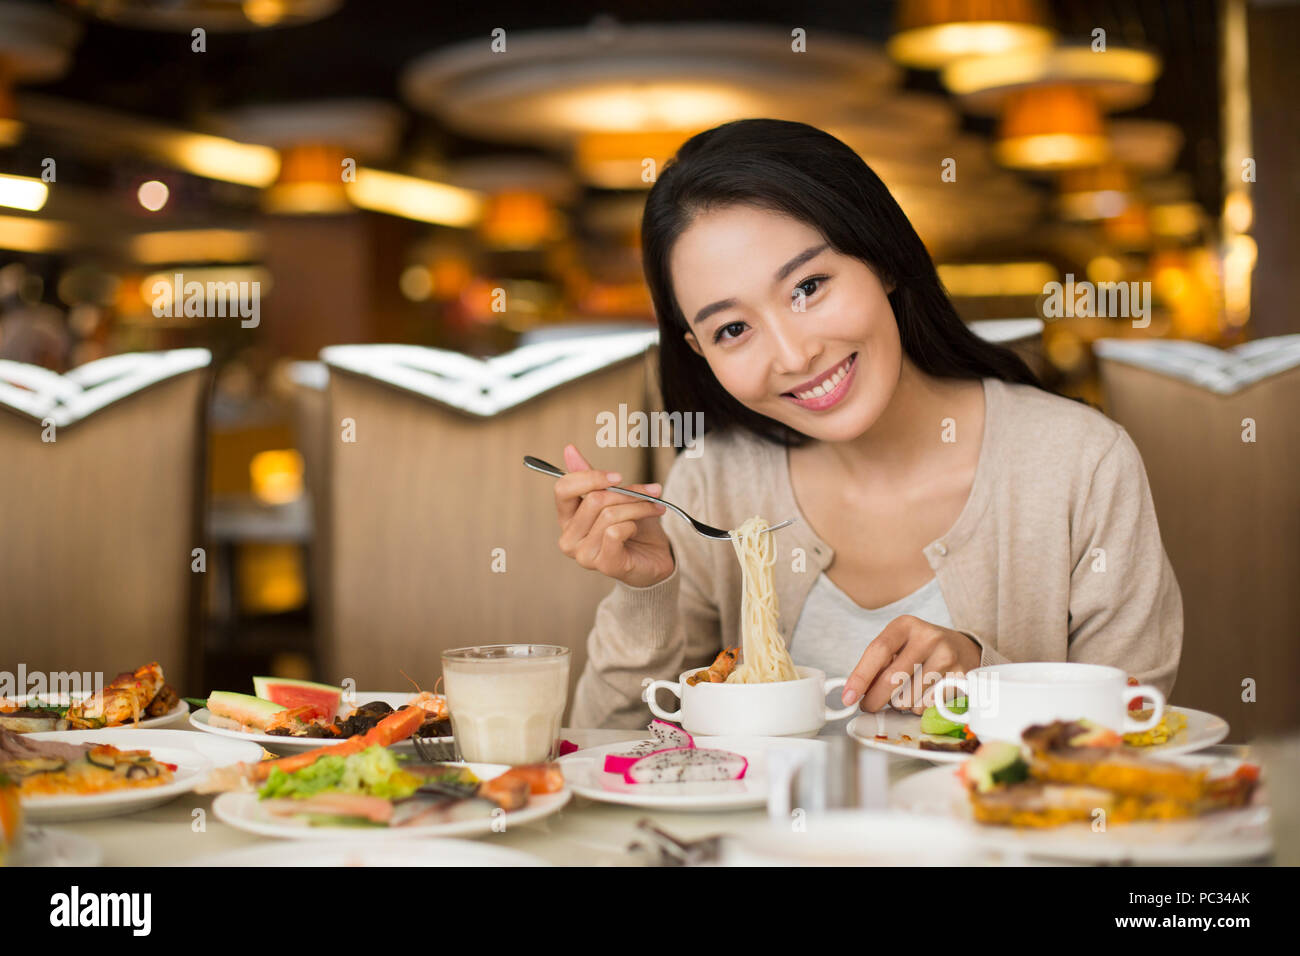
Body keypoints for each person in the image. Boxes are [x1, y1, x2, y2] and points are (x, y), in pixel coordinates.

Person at [552, 119, 1182, 729]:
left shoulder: (1079, 463)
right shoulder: (716, 484)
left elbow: (1134, 729)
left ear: (881, 259)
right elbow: (602, 747)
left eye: (808, 286)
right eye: (733, 329)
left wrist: (983, 681)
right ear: (700, 351)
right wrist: (647, 594)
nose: (794, 355)